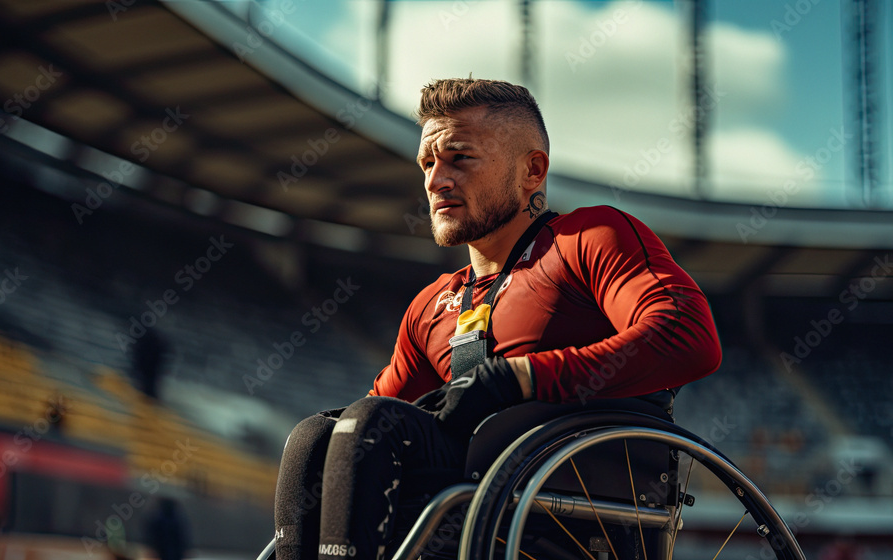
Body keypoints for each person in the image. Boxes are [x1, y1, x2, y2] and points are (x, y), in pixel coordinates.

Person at [272, 78, 722, 560]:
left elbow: (690, 338)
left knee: (372, 426)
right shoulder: (431, 305)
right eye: (428, 162)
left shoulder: (590, 237)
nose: (435, 180)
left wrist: (518, 378)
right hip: (464, 499)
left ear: (532, 170)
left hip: (571, 506)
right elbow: (369, 422)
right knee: (315, 438)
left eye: (460, 158)